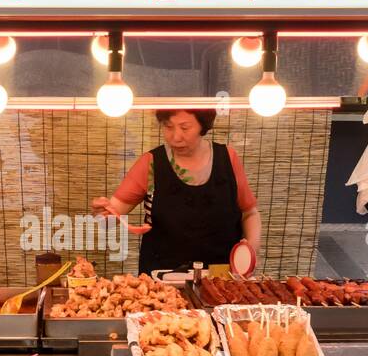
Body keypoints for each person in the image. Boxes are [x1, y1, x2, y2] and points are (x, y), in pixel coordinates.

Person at [92, 108, 260, 275]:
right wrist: (102, 212)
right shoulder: (150, 163)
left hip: (221, 275)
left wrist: (250, 253)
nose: (176, 137)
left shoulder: (227, 158)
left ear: (203, 126)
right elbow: (111, 216)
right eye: (168, 126)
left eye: (185, 128)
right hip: (162, 278)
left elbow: (249, 213)